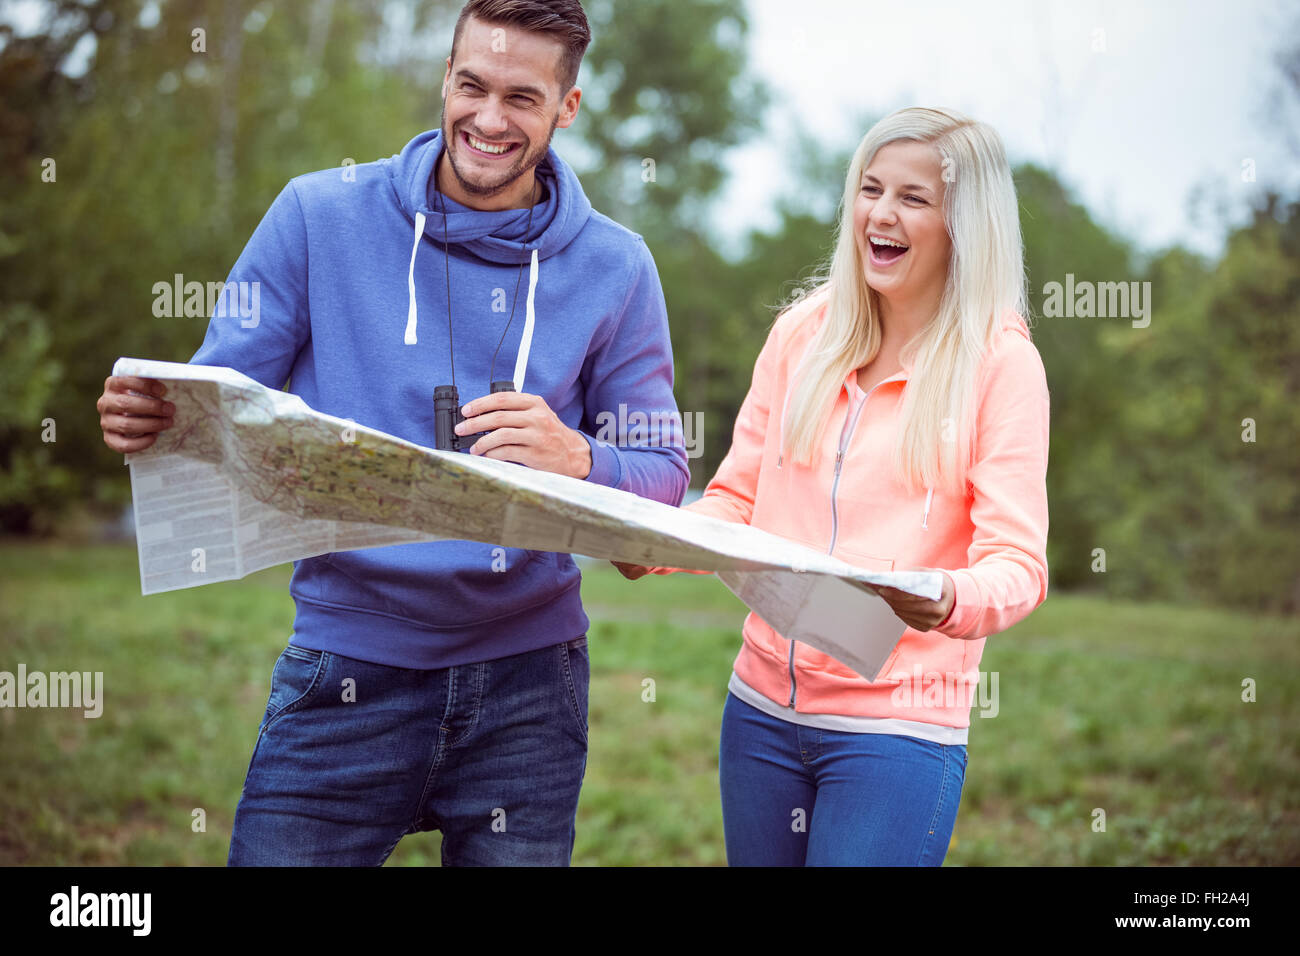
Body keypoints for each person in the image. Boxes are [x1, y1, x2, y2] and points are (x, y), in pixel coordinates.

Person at [96, 0, 688, 866]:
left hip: (531, 685)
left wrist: (580, 456)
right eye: (470, 86)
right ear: (445, 78)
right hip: (345, 670)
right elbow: (217, 398)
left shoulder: (618, 266)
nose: (488, 120)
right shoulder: (316, 215)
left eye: (522, 98)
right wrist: (150, 417)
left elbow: (664, 476)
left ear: (568, 108)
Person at [615, 107, 1050, 866]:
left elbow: (1019, 564)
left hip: (897, 734)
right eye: (870, 188)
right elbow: (736, 502)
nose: (880, 213)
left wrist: (946, 597)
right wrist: (655, 544)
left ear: (965, 225)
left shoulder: (1001, 365)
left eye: (913, 198)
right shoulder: (800, 334)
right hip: (758, 718)